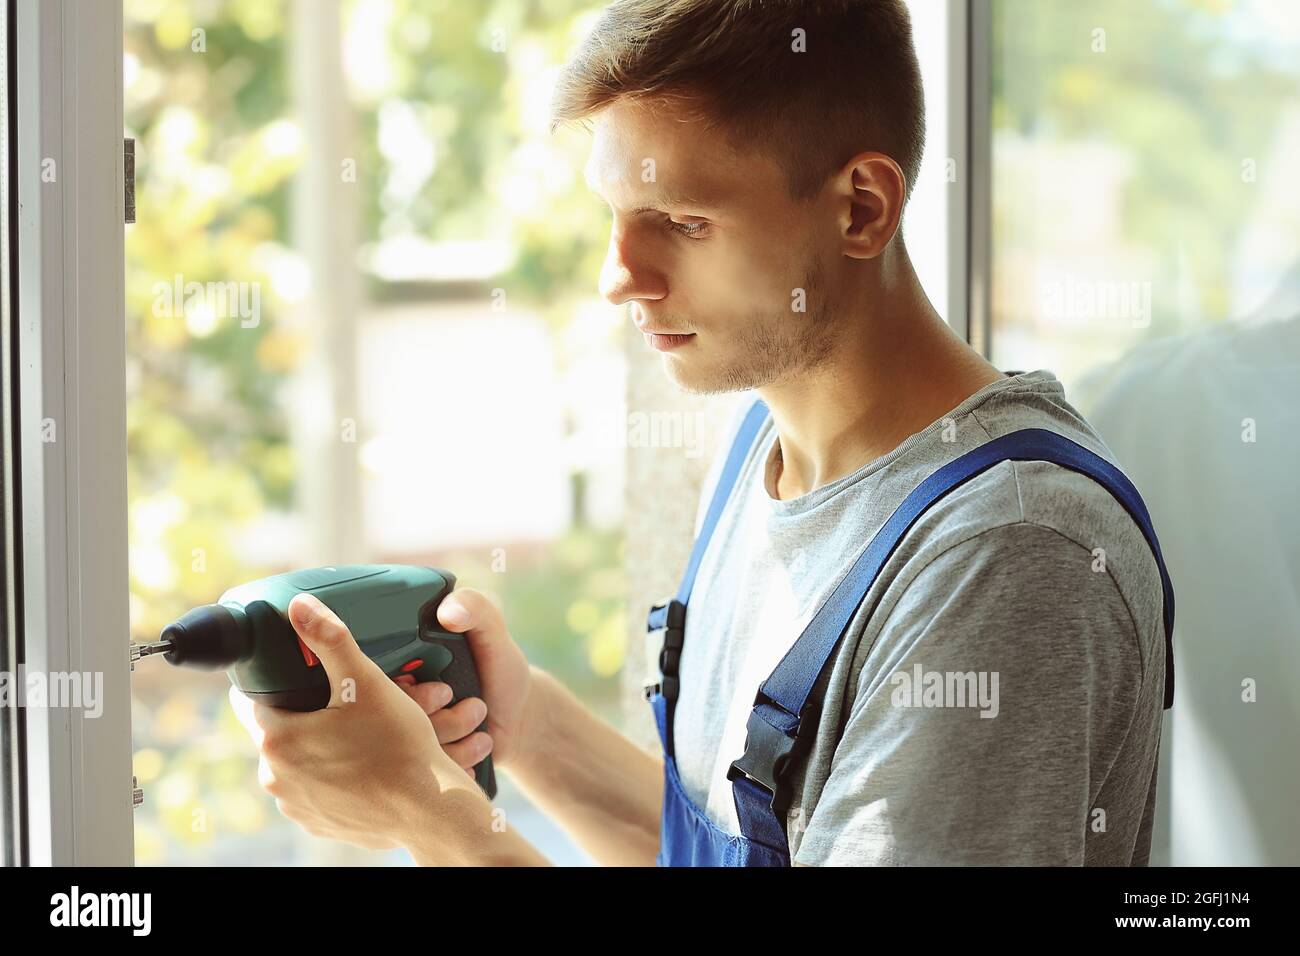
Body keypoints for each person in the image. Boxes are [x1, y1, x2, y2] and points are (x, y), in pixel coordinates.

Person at [232, 0, 1173, 866]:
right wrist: (525, 725)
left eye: (681, 222)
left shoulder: (1008, 557)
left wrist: (432, 820)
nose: (620, 275)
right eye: (614, 216)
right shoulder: (758, 449)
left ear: (861, 207)